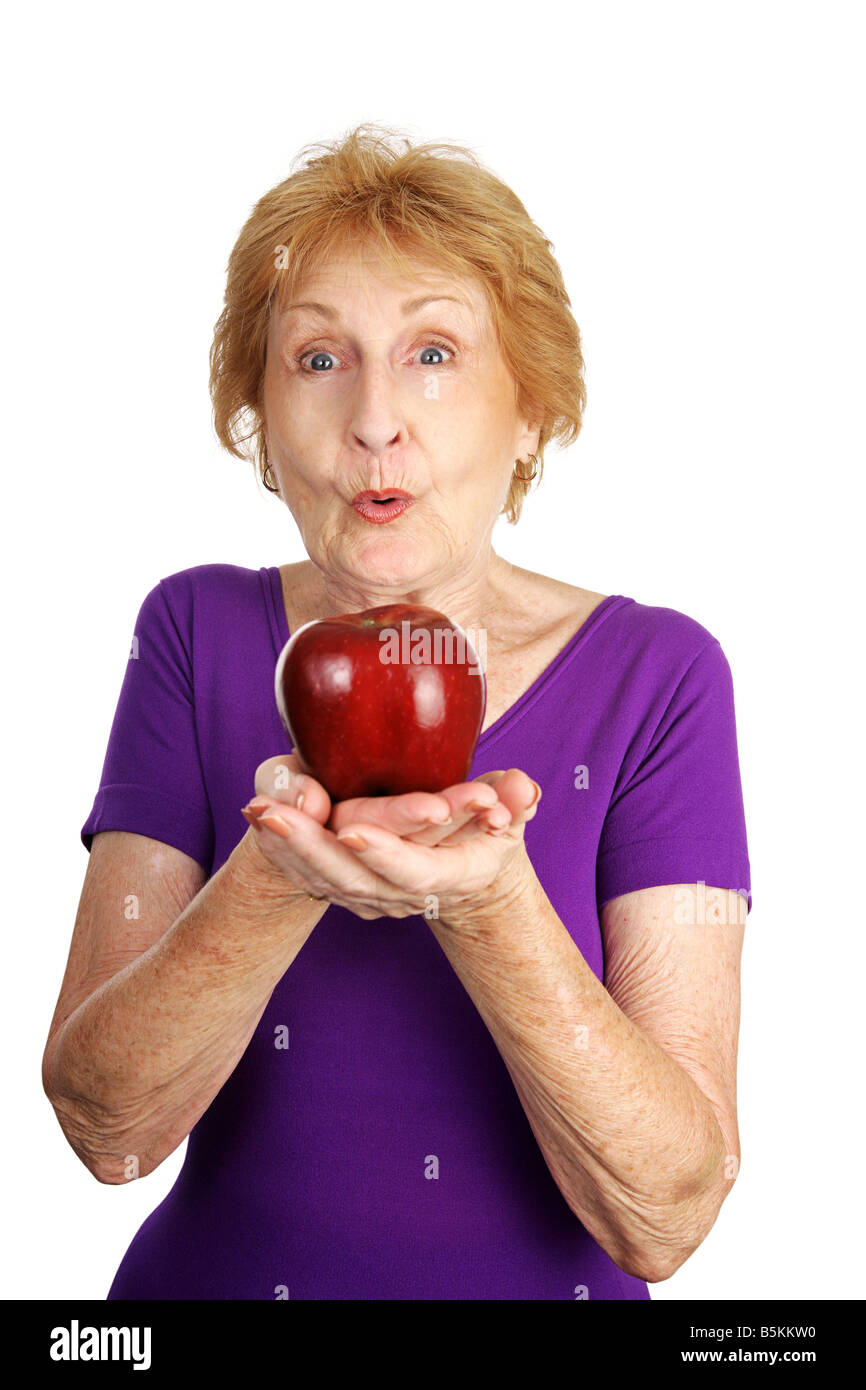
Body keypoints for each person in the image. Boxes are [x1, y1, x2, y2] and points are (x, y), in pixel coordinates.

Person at [42, 124, 751, 1301]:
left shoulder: (658, 676)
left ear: (528, 413)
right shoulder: (191, 632)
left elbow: (668, 1215)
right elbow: (104, 1129)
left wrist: (488, 904)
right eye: (318, 357)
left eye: (432, 352)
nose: (374, 418)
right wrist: (275, 879)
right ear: (261, 422)